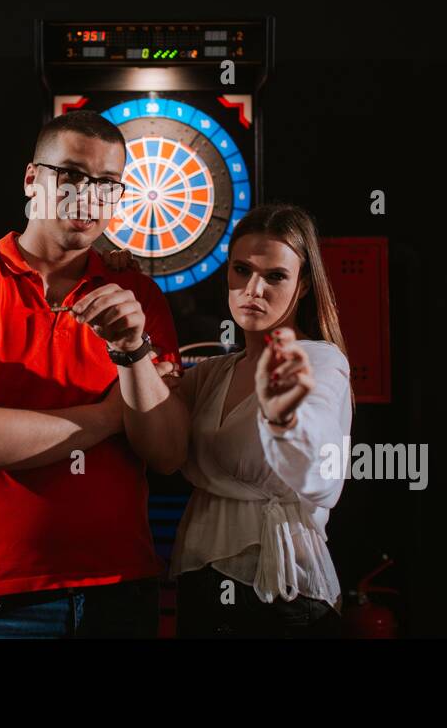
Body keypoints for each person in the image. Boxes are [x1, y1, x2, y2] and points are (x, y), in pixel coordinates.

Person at [0, 110, 183, 638]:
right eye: (73, 176)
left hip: (119, 590)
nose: (89, 197)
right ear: (33, 179)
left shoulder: (137, 297)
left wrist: (130, 349)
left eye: (107, 185)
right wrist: (111, 414)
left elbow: (168, 453)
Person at [104, 203, 355, 637]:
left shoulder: (319, 361)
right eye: (241, 270)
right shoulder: (214, 374)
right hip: (202, 587)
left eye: (275, 276)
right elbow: (151, 429)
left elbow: (324, 477)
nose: (253, 289)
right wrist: (114, 276)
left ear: (304, 285)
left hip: (281, 597)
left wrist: (287, 419)